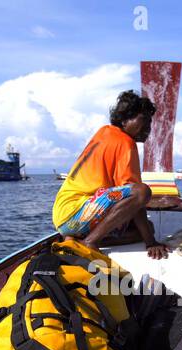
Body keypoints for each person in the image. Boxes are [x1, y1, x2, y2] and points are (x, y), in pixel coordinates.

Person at [52, 90, 169, 259]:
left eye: (150, 123)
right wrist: (151, 242)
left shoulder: (105, 132)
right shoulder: (125, 142)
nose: (148, 128)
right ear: (124, 120)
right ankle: (90, 242)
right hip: (76, 211)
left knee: (144, 228)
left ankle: (76, 239)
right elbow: (135, 194)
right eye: (143, 121)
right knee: (142, 192)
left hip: (63, 217)